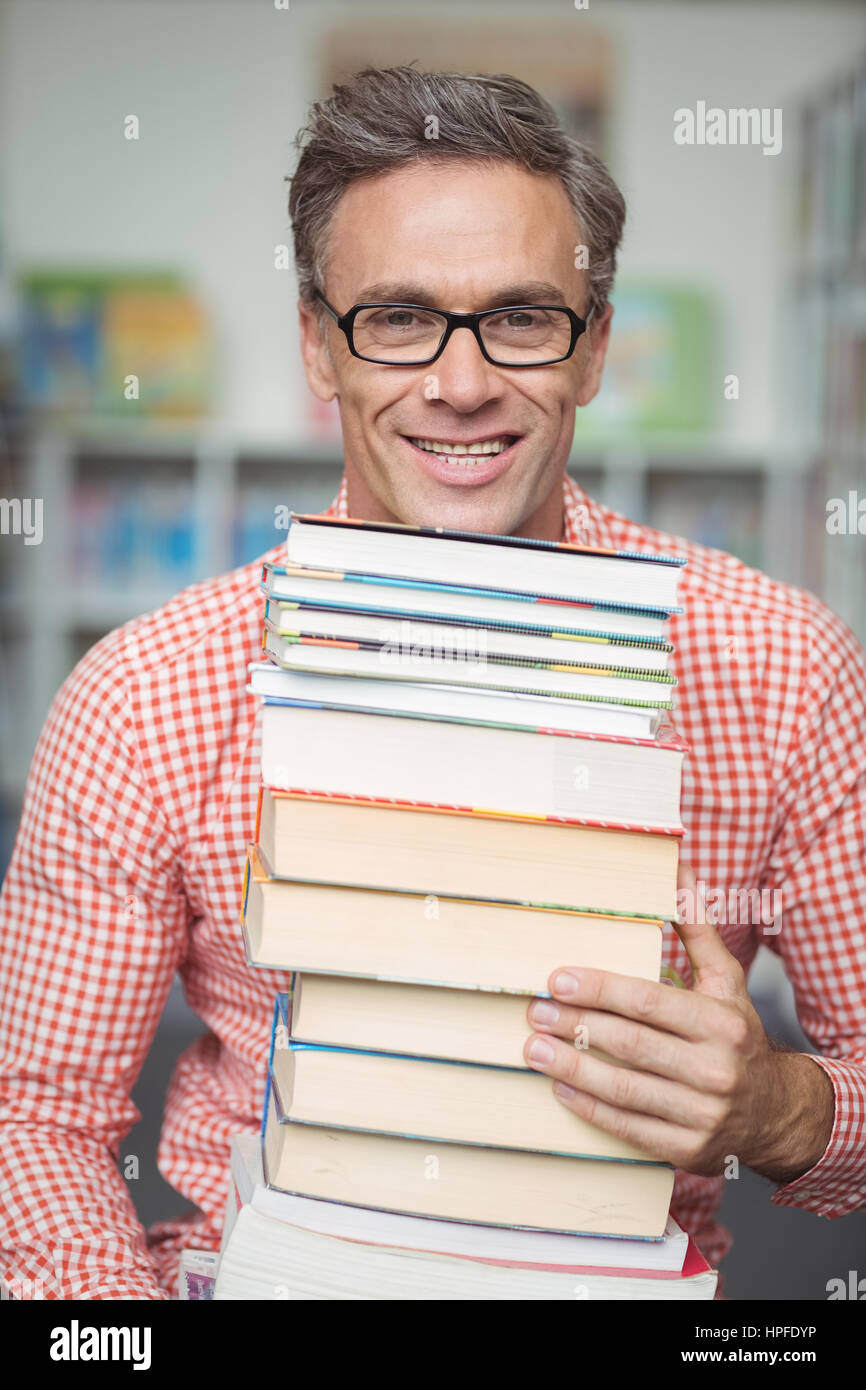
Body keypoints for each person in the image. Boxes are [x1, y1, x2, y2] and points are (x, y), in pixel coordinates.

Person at [1, 67, 863, 1302]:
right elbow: (35, 1119)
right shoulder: (144, 693)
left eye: (519, 319)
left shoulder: (782, 666)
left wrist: (775, 1108)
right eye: (399, 318)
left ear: (595, 346)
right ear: (317, 342)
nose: (460, 385)